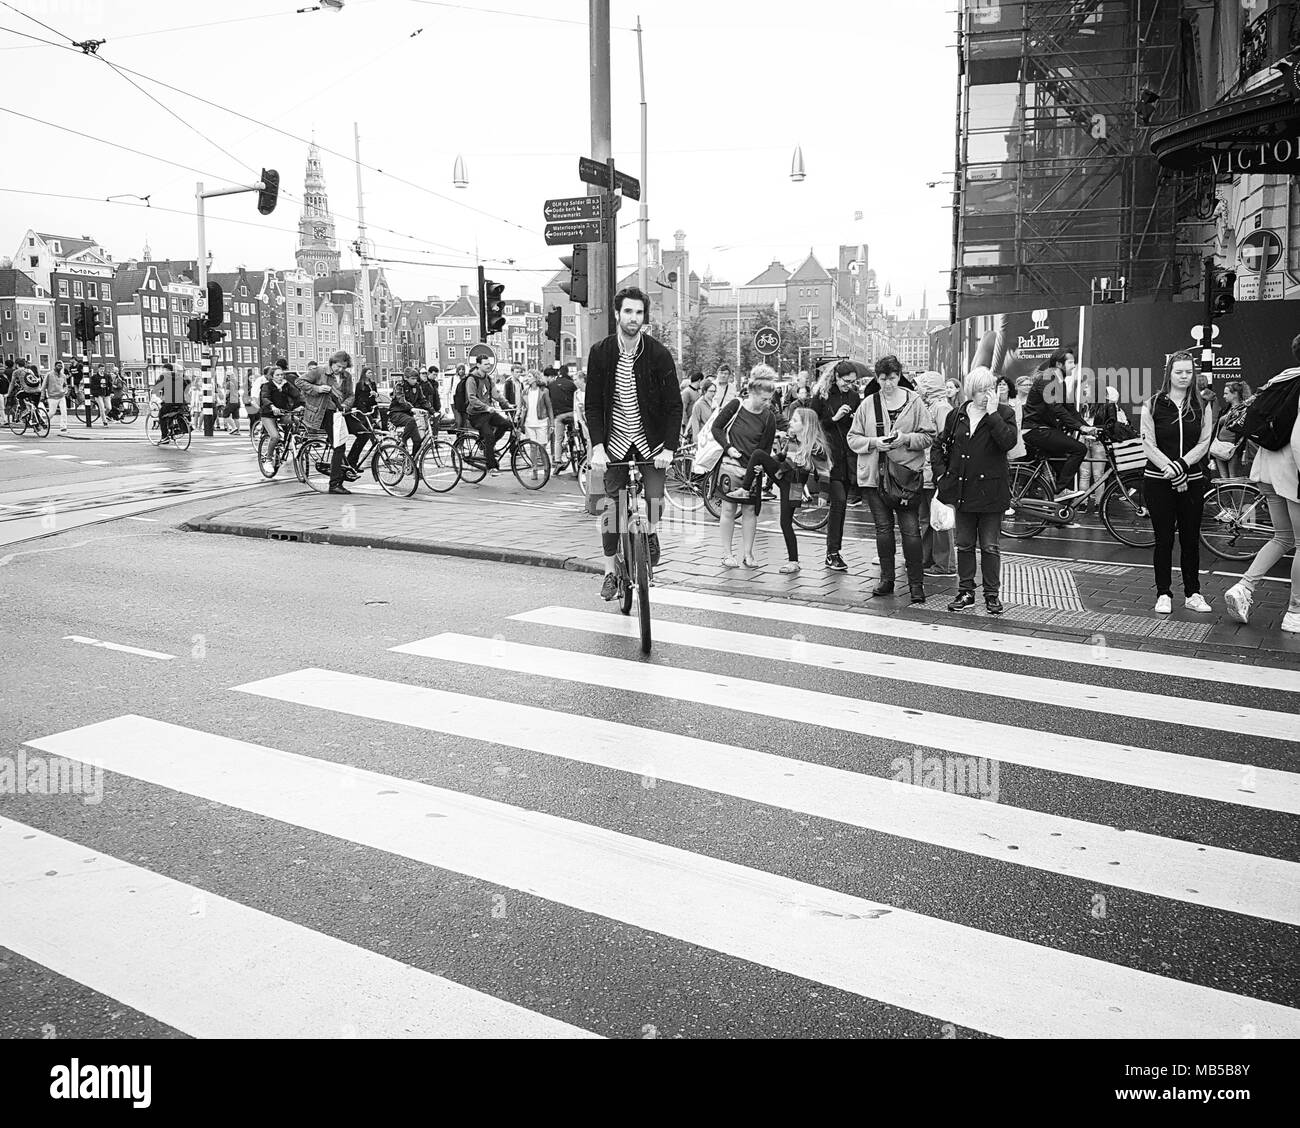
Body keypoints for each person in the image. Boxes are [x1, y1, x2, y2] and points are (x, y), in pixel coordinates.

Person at [586, 286, 680, 601]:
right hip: (613, 444)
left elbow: (674, 406)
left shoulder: (658, 354)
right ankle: (610, 572)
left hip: (649, 444)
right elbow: (593, 406)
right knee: (611, 509)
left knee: (655, 499)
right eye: (628, 311)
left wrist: (668, 448)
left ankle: (650, 533)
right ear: (617, 313)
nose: (633, 318)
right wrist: (597, 447)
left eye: (639, 312)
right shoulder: (601, 352)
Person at [847, 355, 936, 603]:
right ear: (877, 378)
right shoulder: (868, 404)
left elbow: (929, 436)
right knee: (883, 530)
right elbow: (852, 439)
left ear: (900, 376)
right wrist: (874, 443)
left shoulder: (914, 402)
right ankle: (886, 579)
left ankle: (916, 584)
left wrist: (905, 438)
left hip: (906, 476)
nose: (888, 384)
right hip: (875, 477)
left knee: (911, 531)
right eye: (883, 378)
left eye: (893, 378)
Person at [1220, 357, 1300, 634]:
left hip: (1267, 468)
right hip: (1292, 473)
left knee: (1283, 537)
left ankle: (1244, 587)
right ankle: (1295, 611)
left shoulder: (1282, 378)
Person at [933, 366, 1018, 615]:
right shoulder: (957, 414)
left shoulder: (1004, 413)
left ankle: (992, 595)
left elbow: (1008, 443)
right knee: (965, 544)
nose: (985, 395)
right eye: (980, 391)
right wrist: (941, 476)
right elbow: (939, 446)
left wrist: (993, 415)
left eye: (989, 389)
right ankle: (966, 591)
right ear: (971, 391)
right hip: (962, 489)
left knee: (990, 546)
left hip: (991, 491)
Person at [1140, 351, 1215, 615]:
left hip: (1192, 481)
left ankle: (1193, 593)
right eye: (1178, 372)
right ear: (1169, 373)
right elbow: (1148, 444)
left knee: (1190, 540)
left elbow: (1204, 442)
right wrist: (1170, 469)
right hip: (1158, 481)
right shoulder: (1152, 404)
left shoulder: (1201, 405)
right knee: (1163, 540)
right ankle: (1163, 593)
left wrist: (1182, 467)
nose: (1184, 377)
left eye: (1188, 372)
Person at [714, 368, 779, 569]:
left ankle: (748, 554)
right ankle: (727, 553)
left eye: (770, 399)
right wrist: (728, 448)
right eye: (764, 399)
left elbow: (766, 448)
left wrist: (761, 466)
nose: (767, 403)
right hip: (731, 465)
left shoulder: (769, 417)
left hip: (753, 469)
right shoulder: (736, 406)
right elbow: (716, 428)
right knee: (728, 508)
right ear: (752, 393)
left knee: (750, 510)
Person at [810, 360, 861, 572]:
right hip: (829, 456)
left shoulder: (854, 396)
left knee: (841, 504)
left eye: (853, 382)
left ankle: (834, 552)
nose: (850, 385)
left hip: (849, 456)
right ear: (837, 378)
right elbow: (813, 425)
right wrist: (835, 417)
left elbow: (858, 425)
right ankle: (832, 552)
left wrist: (854, 417)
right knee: (839, 502)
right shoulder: (821, 396)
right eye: (846, 381)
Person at [1022, 359, 1096, 500]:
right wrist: (1081, 427)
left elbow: (1071, 411)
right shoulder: (1046, 380)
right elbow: (1057, 409)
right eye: (1070, 362)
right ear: (1059, 365)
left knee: (1061, 457)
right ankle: (1060, 490)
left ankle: (1059, 495)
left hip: (1044, 430)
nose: (1074, 366)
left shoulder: (1059, 385)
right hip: (1037, 430)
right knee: (1079, 449)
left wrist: (1088, 427)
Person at [298, 351, 365, 494]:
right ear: (332, 362)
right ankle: (334, 484)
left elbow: (350, 395)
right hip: (325, 413)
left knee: (364, 433)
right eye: (338, 366)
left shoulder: (346, 376)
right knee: (339, 446)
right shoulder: (319, 371)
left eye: (344, 367)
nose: (340, 370)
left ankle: (350, 465)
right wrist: (317, 388)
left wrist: (346, 406)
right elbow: (299, 382)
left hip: (341, 412)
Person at [915, 371, 956, 577]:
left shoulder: (941, 408)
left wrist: (942, 472)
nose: (917, 389)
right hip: (926, 471)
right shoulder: (931, 406)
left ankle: (945, 564)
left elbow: (943, 442)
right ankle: (927, 558)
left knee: (940, 518)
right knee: (927, 517)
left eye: (921, 386)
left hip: (935, 471)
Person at [464, 362, 511, 474]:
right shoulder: (471, 379)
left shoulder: (489, 379)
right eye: (485, 364)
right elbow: (472, 398)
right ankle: (491, 466)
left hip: (487, 412)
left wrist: (507, 404)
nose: (488, 366)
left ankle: (489, 447)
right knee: (489, 435)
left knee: (506, 424)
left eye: (489, 364)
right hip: (476, 414)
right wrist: (485, 407)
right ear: (478, 365)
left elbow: (495, 394)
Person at [1211, 379, 1253, 480]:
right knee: (1223, 478)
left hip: (1234, 449)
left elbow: (1247, 431)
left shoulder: (1244, 409)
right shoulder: (1227, 409)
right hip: (1219, 447)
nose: (1223, 396)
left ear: (1235, 394)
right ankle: (1227, 495)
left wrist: (1244, 451)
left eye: (1226, 393)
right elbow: (1219, 424)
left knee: (1233, 478)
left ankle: (1235, 495)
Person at [258, 364, 303, 452]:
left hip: (282, 413)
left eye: (281, 375)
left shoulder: (286, 385)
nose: (280, 377)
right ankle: (268, 459)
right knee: (275, 437)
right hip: (268, 415)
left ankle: (288, 441)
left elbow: (297, 395)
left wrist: (301, 405)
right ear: (272, 377)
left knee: (296, 420)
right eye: (277, 375)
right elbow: (265, 397)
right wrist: (272, 407)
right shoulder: (267, 386)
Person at [150, 363, 191, 443]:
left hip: (169, 401)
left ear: (165, 369)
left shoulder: (163, 376)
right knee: (177, 412)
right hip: (180, 401)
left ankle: (164, 437)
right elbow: (188, 384)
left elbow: (156, 388)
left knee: (162, 415)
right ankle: (177, 428)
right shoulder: (180, 375)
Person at [522, 369, 553, 452]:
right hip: (529, 423)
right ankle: (534, 465)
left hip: (541, 422)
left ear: (535, 378)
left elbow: (549, 407)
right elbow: (523, 407)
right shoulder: (525, 391)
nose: (527, 378)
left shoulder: (544, 391)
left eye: (529, 376)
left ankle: (545, 465)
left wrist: (552, 423)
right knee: (532, 447)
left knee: (542, 447)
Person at [686, 379, 717, 443]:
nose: (713, 393)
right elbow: (695, 423)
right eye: (711, 391)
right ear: (705, 391)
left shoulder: (715, 403)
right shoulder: (699, 404)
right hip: (703, 437)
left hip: (712, 437)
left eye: (714, 391)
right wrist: (696, 441)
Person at [42, 362, 69, 434]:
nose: (60, 367)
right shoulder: (49, 374)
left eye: (61, 366)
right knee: (52, 412)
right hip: (52, 396)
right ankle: (44, 422)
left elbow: (65, 384)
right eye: (58, 366)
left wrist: (65, 390)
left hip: (61, 396)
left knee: (64, 411)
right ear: (55, 366)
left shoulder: (63, 376)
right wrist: (42, 395)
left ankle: (63, 426)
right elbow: (44, 385)